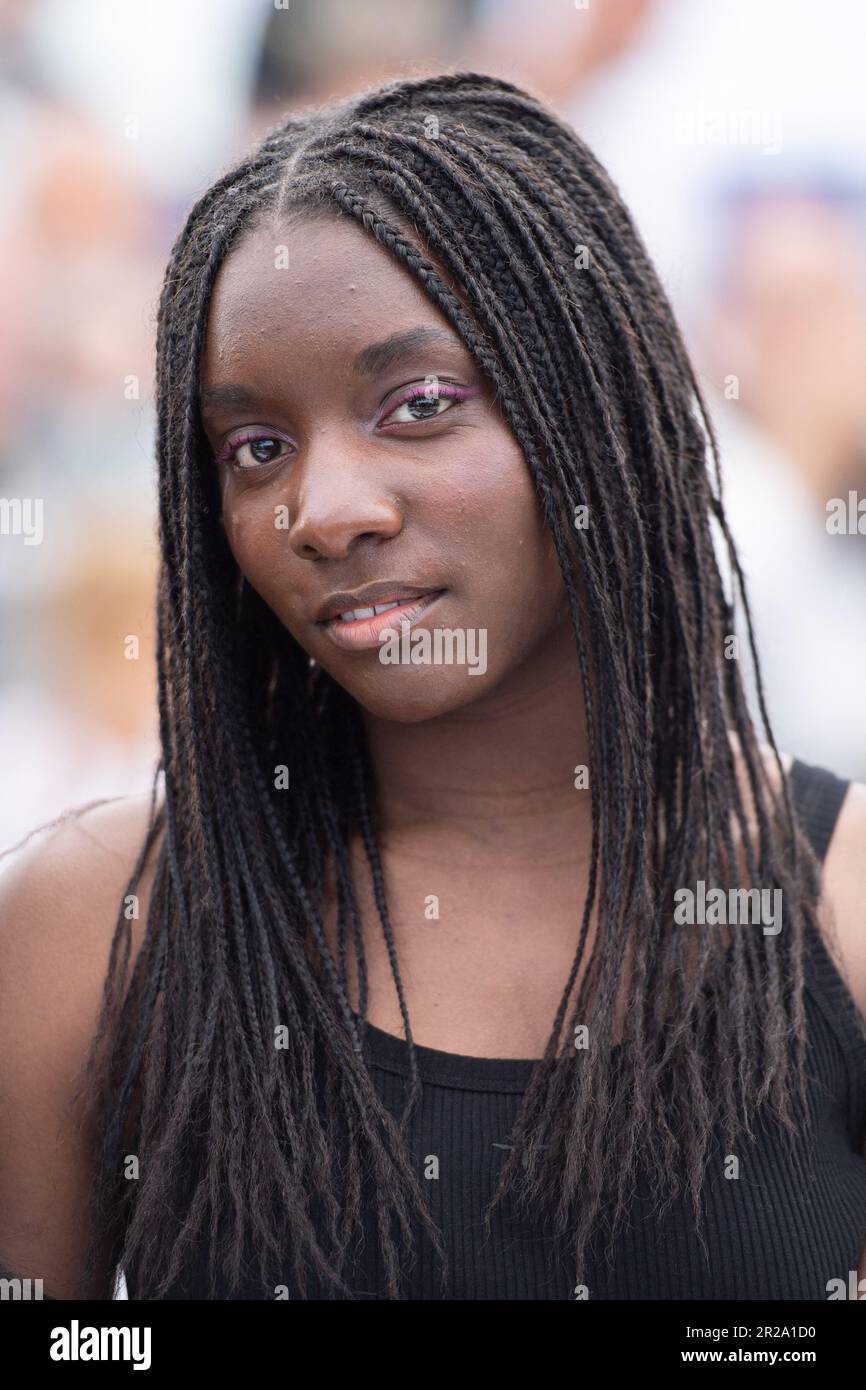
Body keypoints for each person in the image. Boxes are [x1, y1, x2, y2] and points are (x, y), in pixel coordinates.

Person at [1, 71, 864, 1302]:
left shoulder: (836, 907)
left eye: (417, 404)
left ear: (595, 412)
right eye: (255, 447)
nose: (323, 510)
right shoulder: (79, 936)